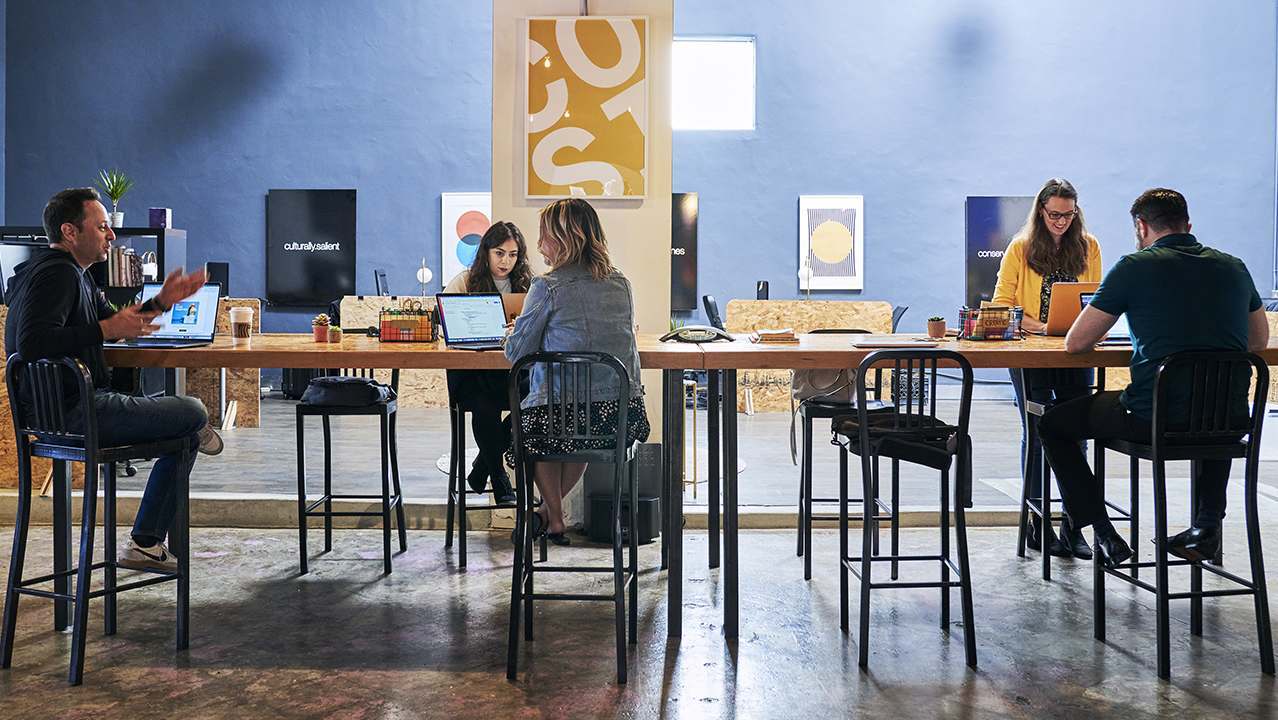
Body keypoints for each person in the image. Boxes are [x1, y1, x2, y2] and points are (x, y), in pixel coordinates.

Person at [1039, 188, 1268, 568]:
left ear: (1141, 227)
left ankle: (1104, 533)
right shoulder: (1233, 265)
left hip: (1152, 418)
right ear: (1188, 226)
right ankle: (1207, 526)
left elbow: (1076, 343)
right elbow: (1258, 340)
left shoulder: (1134, 266)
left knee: (1053, 424)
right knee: (1211, 412)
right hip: (1229, 421)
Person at [4, 187, 223, 571]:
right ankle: (146, 539)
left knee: (187, 431)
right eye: (102, 226)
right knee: (193, 409)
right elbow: (33, 342)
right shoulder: (58, 275)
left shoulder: (74, 275)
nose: (111, 235)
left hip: (56, 415)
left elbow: (117, 324)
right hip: (75, 413)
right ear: (71, 232)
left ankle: (146, 543)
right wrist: (104, 329)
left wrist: (161, 302)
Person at [503, 198, 649, 546]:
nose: (538, 246)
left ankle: (551, 516)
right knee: (577, 433)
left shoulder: (547, 286)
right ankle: (551, 513)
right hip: (617, 418)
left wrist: (513, 332)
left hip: (557, 416)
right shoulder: (621, 283)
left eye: (543, 236)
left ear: (564, 237)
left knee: (540, 428)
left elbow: (517, 352)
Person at [992, 178, 1103, 559]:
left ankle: (1076, 526)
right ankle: (1037, 524)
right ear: (1041, 211)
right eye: (1055, 214)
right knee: (1037, 433)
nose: (1061, 222)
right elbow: (1002, 304)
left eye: (1068, 215)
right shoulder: (1021, 248)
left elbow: (1095, 298)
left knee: (1078, 435)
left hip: (1075, 350)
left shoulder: (1089, 246)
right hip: (1031, 352)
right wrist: (1038, 326)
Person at [443, 221, 533, 503]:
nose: (506, 261)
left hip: (509, 372)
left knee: (533, 397)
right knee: (484, 403)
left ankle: (482, 466)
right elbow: (445, 323)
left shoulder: (528, 284)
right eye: (499, 253)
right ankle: (499, 476)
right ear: (486, 252)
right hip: (472, 372)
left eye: (513, 254)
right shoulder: (464, 280)